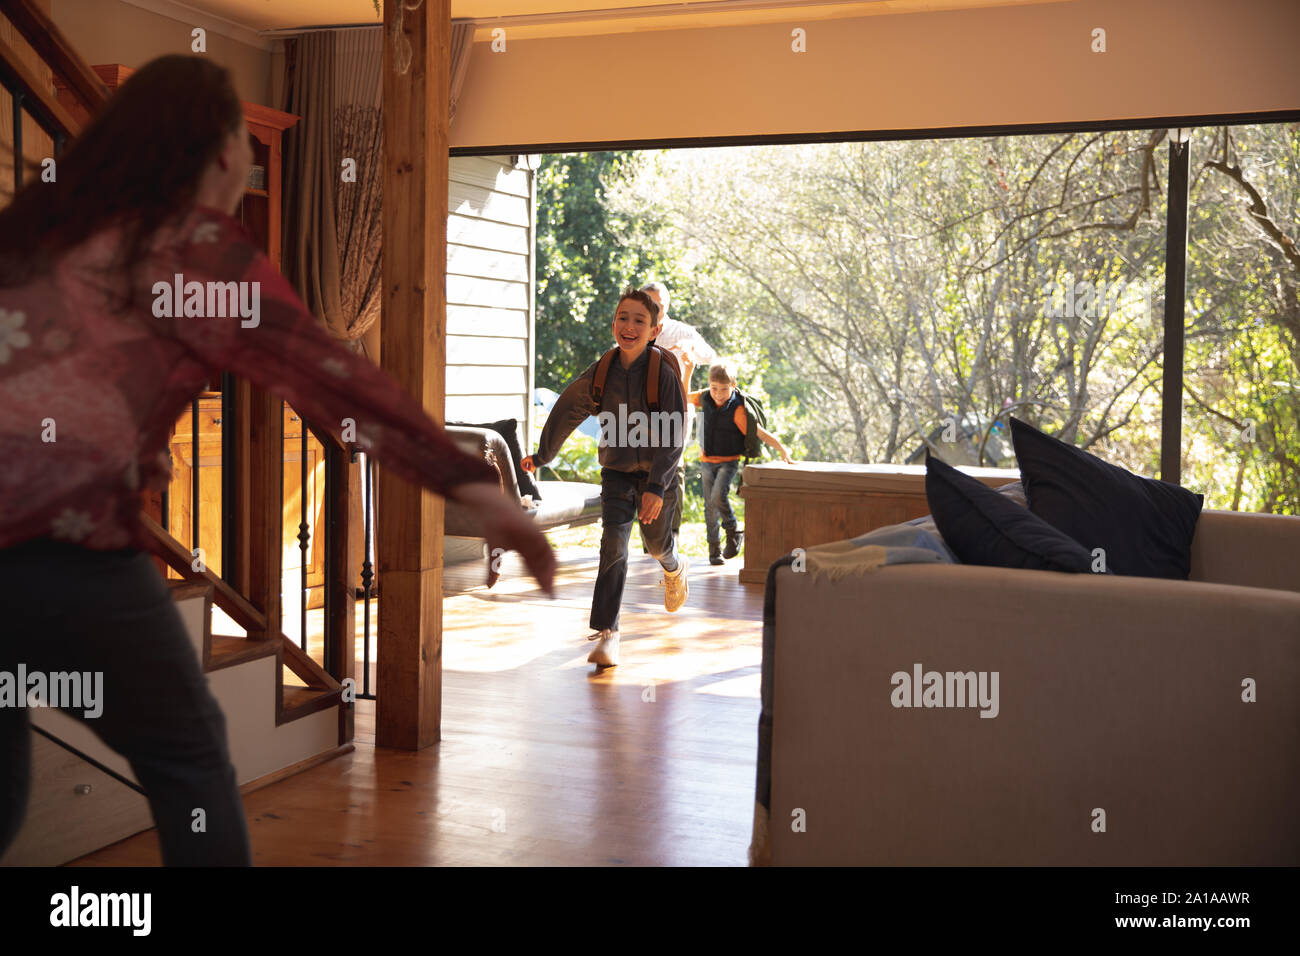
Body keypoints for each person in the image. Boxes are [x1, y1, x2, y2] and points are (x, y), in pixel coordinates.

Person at [0, 55, 555, 866]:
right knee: (188, 763)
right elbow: (340, 382)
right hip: (73, 559)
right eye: (245, 153)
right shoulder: (198, 257)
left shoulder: (30, 232)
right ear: (223, 155)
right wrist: (479, 489)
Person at [521, 287, 688, 668]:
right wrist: (543, 454)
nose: (629, 326)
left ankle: (674, 568)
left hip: (657, 478)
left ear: (654, 330)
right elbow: (568, 407)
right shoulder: (602, 371)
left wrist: (657, 487)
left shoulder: (661, 373)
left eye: (639, 321)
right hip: (616, 474)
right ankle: (608, 633)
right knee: (613, 544)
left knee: (658, 546)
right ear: (614, 323)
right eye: (623, 318)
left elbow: (674, 435)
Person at [689, 362, 793, 565]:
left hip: (728, 462)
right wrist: (688, 368)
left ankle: (733, 529)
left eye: (724, 389)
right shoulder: (704, 397)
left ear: (734, 385)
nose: (718, 394)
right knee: (709, 507)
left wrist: (782, 449)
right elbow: (682, 394)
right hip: (706, 461)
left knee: (718, 496)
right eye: (714, 388)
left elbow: (760, 433)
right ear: (709, 385)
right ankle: (714, 551)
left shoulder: (738, 411)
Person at [639, 282, 716, 539]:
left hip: (676, 410)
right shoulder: (635, 328)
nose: (652, 309)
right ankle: (649, 539)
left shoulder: (681, 331)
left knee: (673, 467)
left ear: (666, 306)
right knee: (646, 468)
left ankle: (672, 535)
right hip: (643, 412)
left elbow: (711, 357)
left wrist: (689, 352)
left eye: (657, 305)